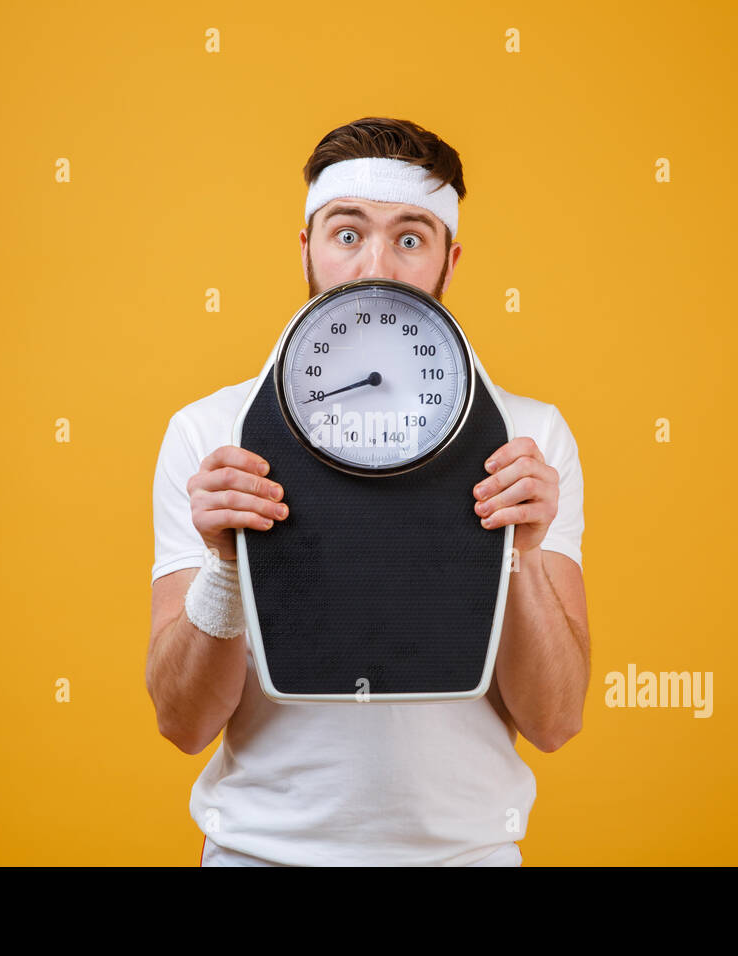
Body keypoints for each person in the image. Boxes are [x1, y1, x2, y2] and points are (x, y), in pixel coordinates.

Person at [147, 117, 590, 866]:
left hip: (468, 856)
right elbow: (183, 725)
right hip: (260, 854)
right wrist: (226, 569)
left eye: (410, 239)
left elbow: (555, 721)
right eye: (347, 234)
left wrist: (523, 555)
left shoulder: (528, 442)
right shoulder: (213, 437)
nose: (376, 266)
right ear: (307, 249)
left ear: (449, 262)